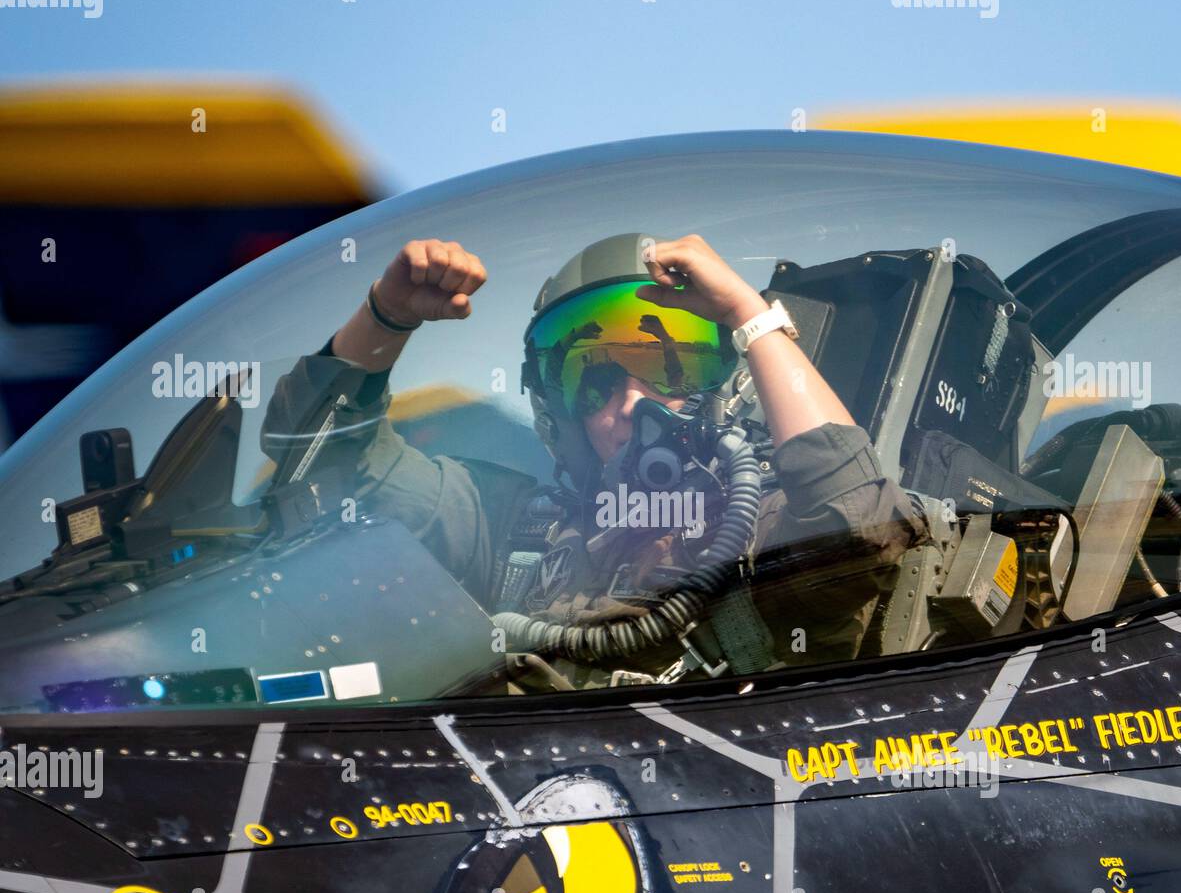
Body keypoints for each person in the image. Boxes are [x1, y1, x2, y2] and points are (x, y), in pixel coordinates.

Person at [262, 233, 929, 691]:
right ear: (563, 414)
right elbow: (320, 467)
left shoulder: (765, 529)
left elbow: (865, 522)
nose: (634, 400)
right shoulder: (516, 532)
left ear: (723, 379)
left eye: (669, 363)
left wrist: (746, 314)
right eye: (596, 379)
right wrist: (386, 316)